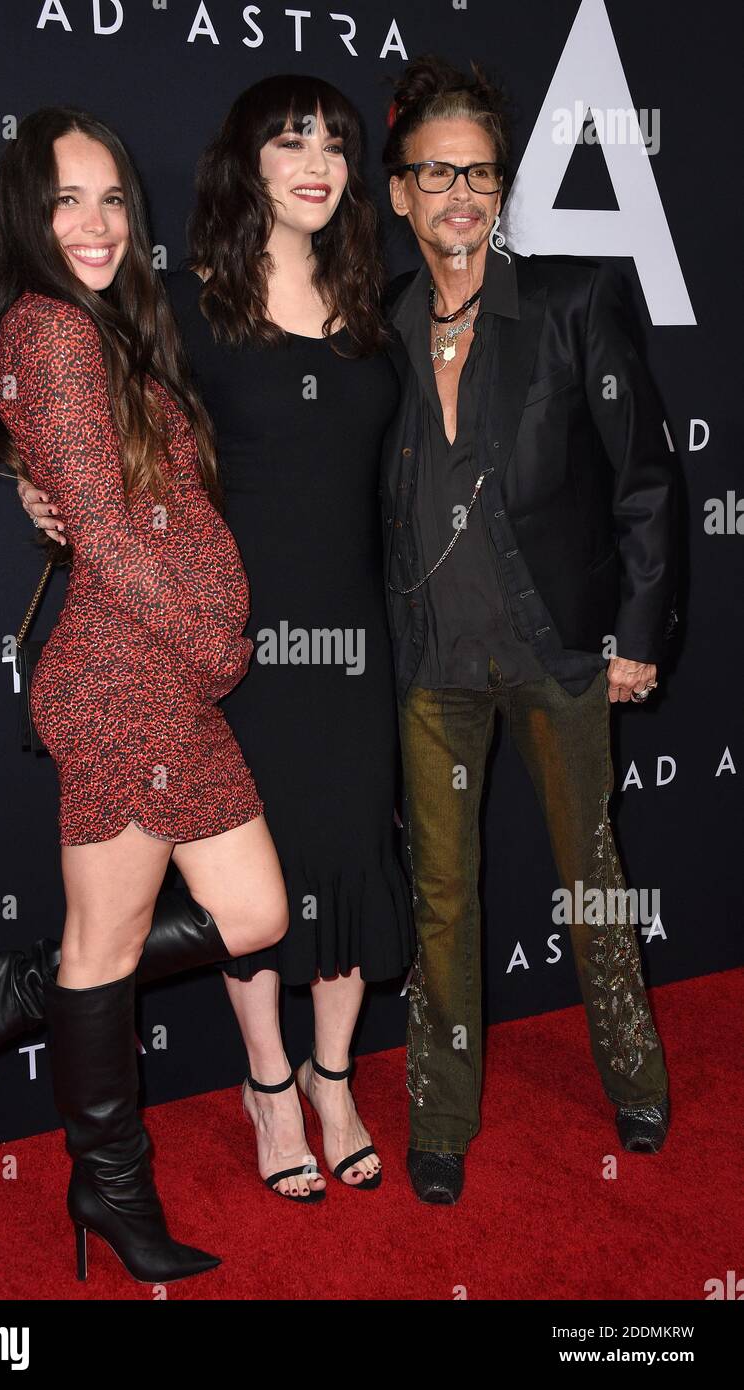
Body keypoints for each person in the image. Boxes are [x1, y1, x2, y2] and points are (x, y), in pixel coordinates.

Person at [0, 106, 289, 1284]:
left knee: (256, 915)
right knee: (108, 949)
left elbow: (95, 499)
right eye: (67, 199)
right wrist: (215, 642)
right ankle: (111, 1190)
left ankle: (4, 988)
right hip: (130, 681)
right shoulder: (54, 333)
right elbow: (116, 546)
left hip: (156, 677)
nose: (96, 222)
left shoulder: (89, 333)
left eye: (113, 198)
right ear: (27, 213)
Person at [18, 75, 416, 1199]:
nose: (316, 158)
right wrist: (32, 493)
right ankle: (267, 1081)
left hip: (353, 629)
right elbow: (72, 418)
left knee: (346, 860)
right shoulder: (178, 308)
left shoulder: (375, 310)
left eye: (334, 142)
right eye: (290, 138)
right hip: (223, 638)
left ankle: (335, 1079)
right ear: (244, 161)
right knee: (261, 879)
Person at [379, 56, 677, 1204]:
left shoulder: (567, 300)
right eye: (434, 172)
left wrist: (635, 631)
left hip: (558, 655)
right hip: (432, 670)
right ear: (398, 192)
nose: (460, 192)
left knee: (588, 877)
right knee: (442, 898)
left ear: (500, 187)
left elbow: (642, 480)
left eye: (480, 171)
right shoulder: (380, 332)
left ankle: (635, 1077)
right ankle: (442, 1115)